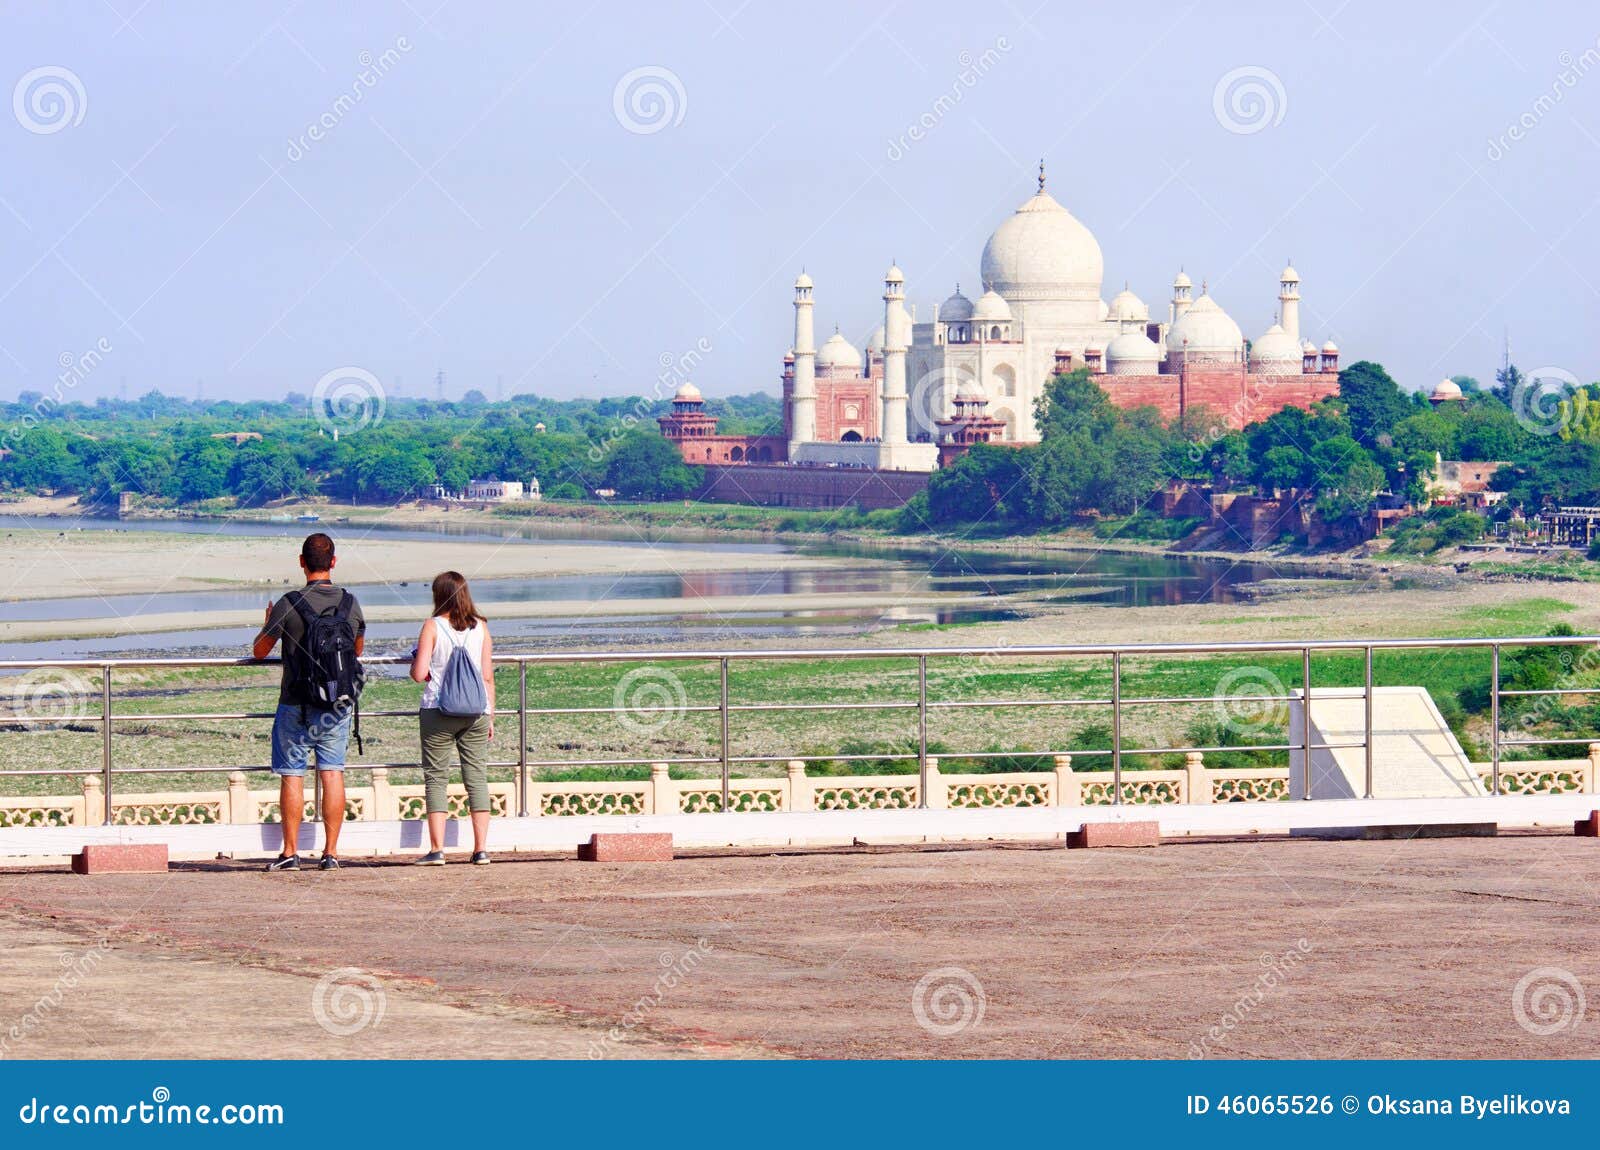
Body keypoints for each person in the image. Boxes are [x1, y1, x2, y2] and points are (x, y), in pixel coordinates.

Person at [253, 533, 366, 872]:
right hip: (337, 704)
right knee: (332, 774)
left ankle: (290, 852)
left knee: (292, 774)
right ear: (333, 562)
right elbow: (356, 651)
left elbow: (260, 651)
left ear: (301, 562)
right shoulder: (349, 602)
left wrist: (267, 623)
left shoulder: (289, 603)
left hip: (296, 702)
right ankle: (330, 853)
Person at [409, 571, 495, 865]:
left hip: (438, 709)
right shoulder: (481, 627)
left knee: (436, 778)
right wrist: (490, 715)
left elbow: (419, 674)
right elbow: (487, 677)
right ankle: (480, 849)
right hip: (476, 711)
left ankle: (437, 850)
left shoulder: (432, 626)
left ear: (438, 595)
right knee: (476, 778)